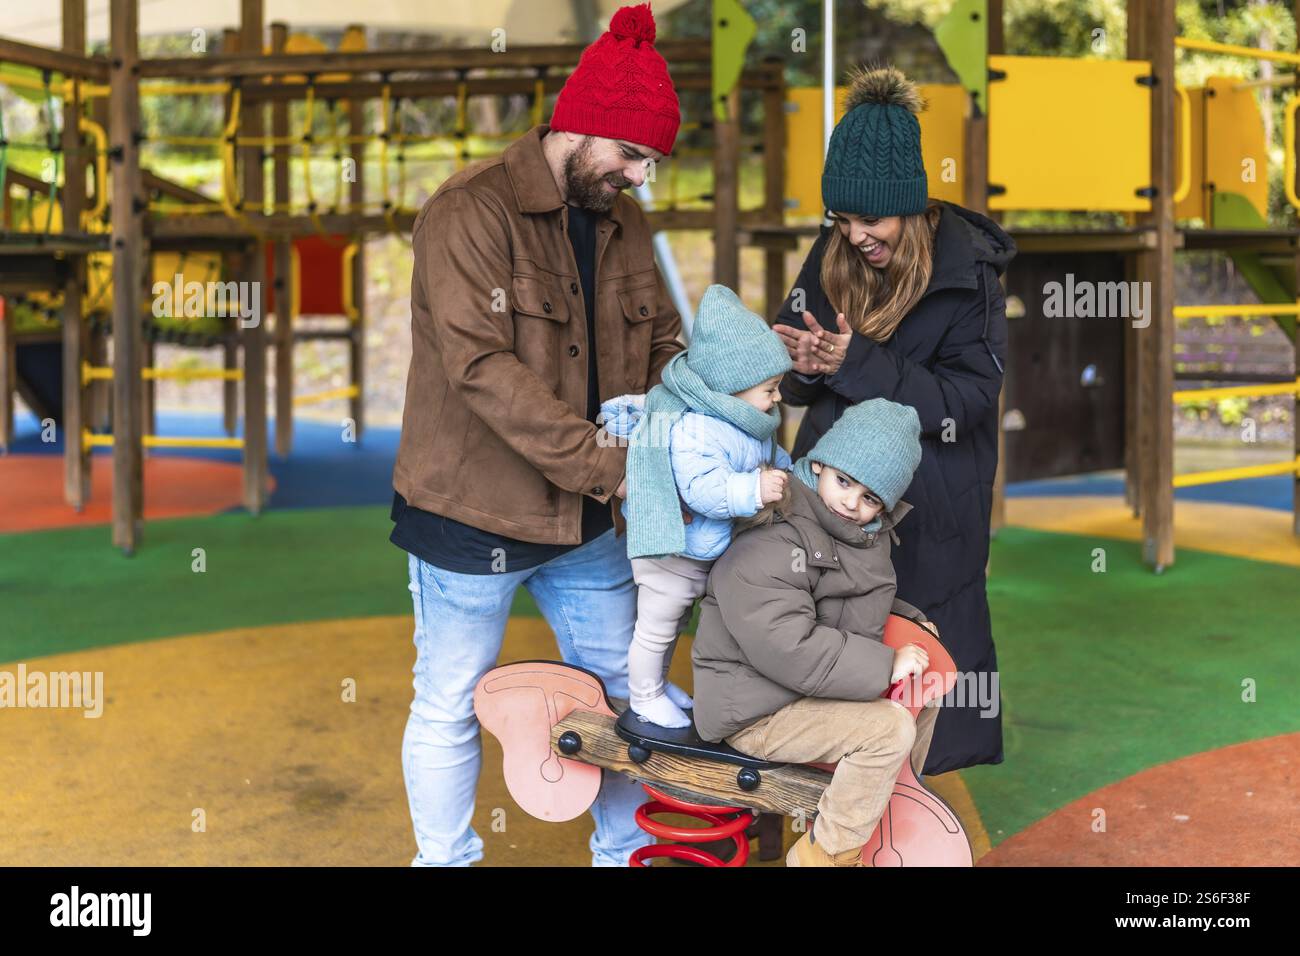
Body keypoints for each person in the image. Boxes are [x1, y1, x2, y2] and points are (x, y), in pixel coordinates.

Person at [389, 3, 684, 866]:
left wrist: (704, 421)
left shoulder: (625, 218)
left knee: (629, 700)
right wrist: (614, 468)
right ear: (581, 127)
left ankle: (623, 857)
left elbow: (664, 341)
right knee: (447, 702)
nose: (641, 176)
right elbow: (482, 371)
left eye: (653, 162)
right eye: (632, 155)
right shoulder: (467, 214)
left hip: (585, 518)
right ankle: (444, 861)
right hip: (468, 514)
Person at [773, 64, 1015, 774]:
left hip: (931, 498)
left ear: (910, 207)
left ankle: (914, 807)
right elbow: (791, 364)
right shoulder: (832, 252)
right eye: (839, 221)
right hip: (833, 496)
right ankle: (829, 800)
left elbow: (967, 403)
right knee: (829, 644)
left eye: (868, 220)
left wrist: (853, 365)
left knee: (925, 646)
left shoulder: (972, 276)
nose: (853, 235)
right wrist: (801, 367)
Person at [692, 398, 940, 866]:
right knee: (887, 729)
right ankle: (824, 855)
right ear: (819, 463)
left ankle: (886, 814)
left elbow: (842, 603)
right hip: (754, 711)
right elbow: (788, 645)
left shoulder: (854, 534)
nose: (852, 502)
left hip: (800, 695)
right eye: (845, 482)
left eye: (870, 498)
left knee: (926, 688)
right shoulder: (776, 535)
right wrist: (887, 663)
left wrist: (908, 621)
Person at [599, 284, 793, 729]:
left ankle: (658, 682)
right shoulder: (695, 429)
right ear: (732, 386)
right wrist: (752, 491)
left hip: (700, 551)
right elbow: (702, 491)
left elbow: (771, 460)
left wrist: (795, 477)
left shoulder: (746, 420)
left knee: (676, 623)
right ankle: (643, 696)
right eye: (771, 388)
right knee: (656, 625)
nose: (778, 398)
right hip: (672, 549)